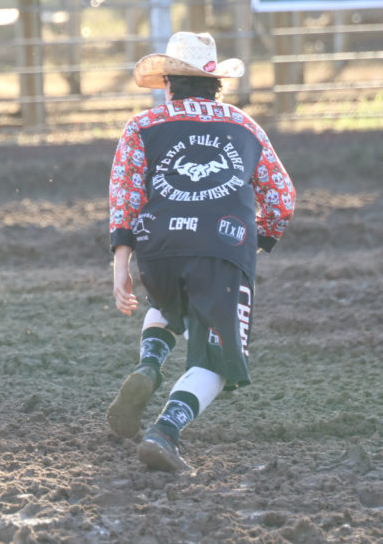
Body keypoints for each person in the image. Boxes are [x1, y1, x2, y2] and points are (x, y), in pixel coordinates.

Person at [106, 32, 296, 472]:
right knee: (218, 358)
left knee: (166, 304)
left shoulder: (141, 126)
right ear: (217, 85)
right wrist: (257, 242)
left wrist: (122, 264)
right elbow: (282, 196)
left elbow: (125, 197)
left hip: (159, 249)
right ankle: (165, 432)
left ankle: (150, 364)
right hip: (221, 250)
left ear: (168, 83)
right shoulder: (245, 127)